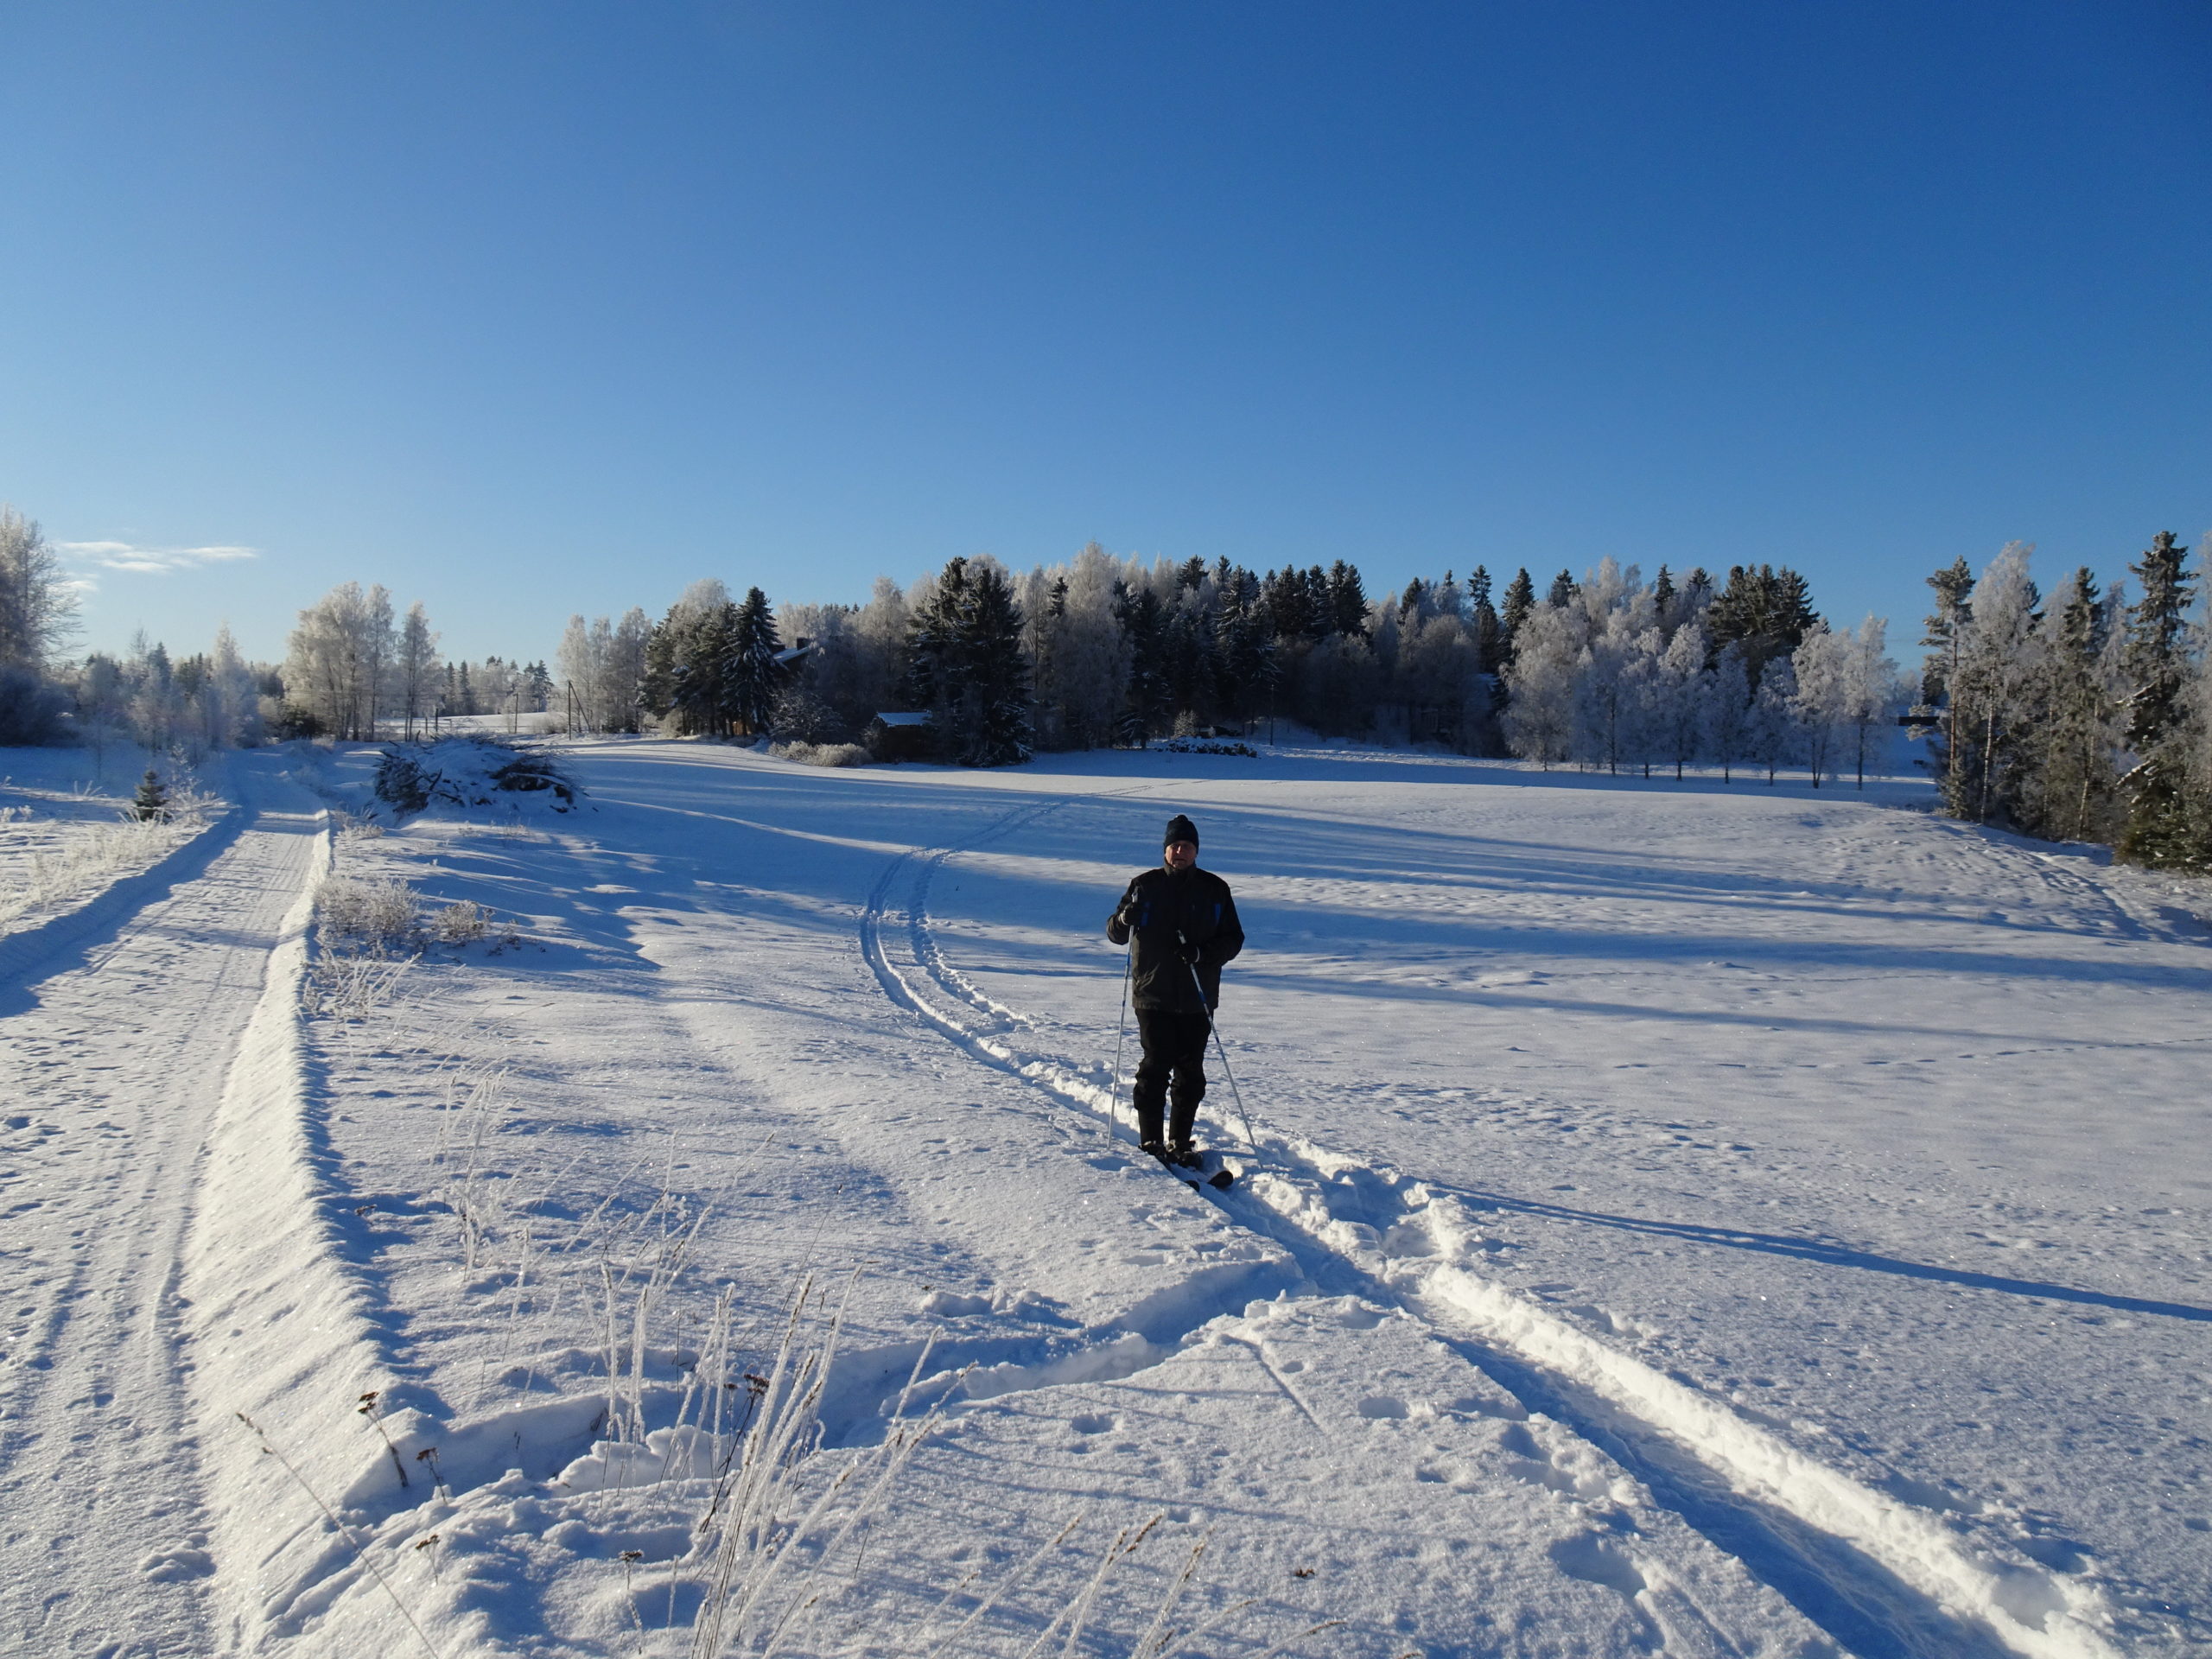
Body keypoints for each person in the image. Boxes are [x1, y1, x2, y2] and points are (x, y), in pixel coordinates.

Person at [1105, 813, 1244, 1166]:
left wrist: (1202, 953)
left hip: (1198, 996)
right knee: (1155, 1067)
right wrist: (1125, 919)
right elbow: (1115, 933)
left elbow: (1233, 939)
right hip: (1153, 993)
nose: (1180, 852)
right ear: (1165, 851)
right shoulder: (1144, 885)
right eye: (1174, 846)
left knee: (1191, 1072)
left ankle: (1180, 1141)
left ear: (1196, 851)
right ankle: (1150, 1139)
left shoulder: (1215, 889)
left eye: (1187, 846)